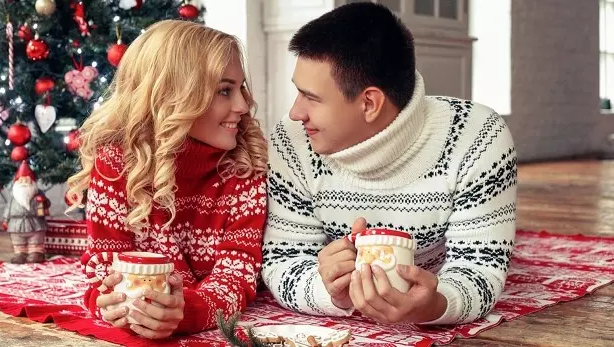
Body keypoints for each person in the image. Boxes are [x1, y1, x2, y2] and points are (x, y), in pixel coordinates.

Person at [262, 2, 517, 326]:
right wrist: (331, 292)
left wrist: (436, 305)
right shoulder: (293, 138)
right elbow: (282, 260)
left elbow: (480, 271)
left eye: (311, 97)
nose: (296, 112)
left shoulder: (477, 137)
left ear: (370, 103)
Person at [66, 20, 268, 339]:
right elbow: (103, 262)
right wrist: (111, 301)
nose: (243, 106)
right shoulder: (115, 161)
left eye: (240, 88)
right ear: (173, 95)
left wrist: (188, 310)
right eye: (224, 91)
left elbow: (238, 274)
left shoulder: (245, 163)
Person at [2, 160, 50, 264]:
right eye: (21, 181)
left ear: (32, 182)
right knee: (18, 240)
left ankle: (36, 252)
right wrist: (6, 220)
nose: (24, 184)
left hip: (35, 222)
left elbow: (47, 204)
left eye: (26, 181)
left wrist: (44, 201)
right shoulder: (13, 196)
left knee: (36, 238)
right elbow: (8, 208)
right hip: (16, 223)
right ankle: (20, 253)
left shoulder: (38, 193)